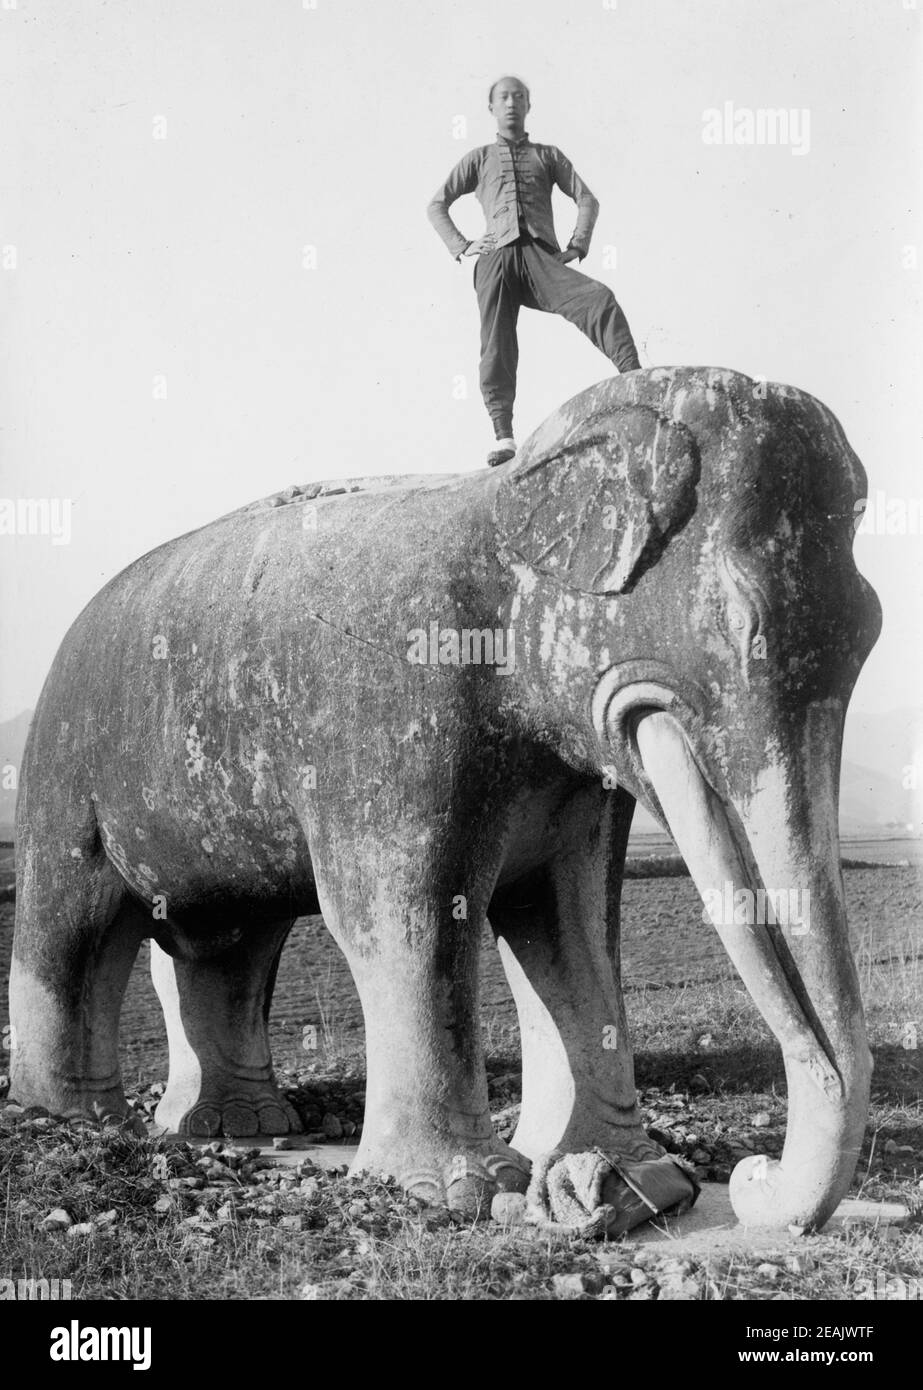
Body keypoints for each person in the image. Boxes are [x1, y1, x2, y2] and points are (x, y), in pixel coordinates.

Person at [427, 75, 641, 467]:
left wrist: (577, 245)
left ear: (529, 105)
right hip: (496, 261)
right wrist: (463, 246)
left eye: (519, 97)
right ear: (490, 108)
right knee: (497, 344)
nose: (512, 103)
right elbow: (437, 204)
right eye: (504, 97)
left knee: (598, 299)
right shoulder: (478, 158)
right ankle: (503, 436)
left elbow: (586, 198)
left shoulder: (548, 155)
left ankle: (636, 381)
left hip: (541, 259)